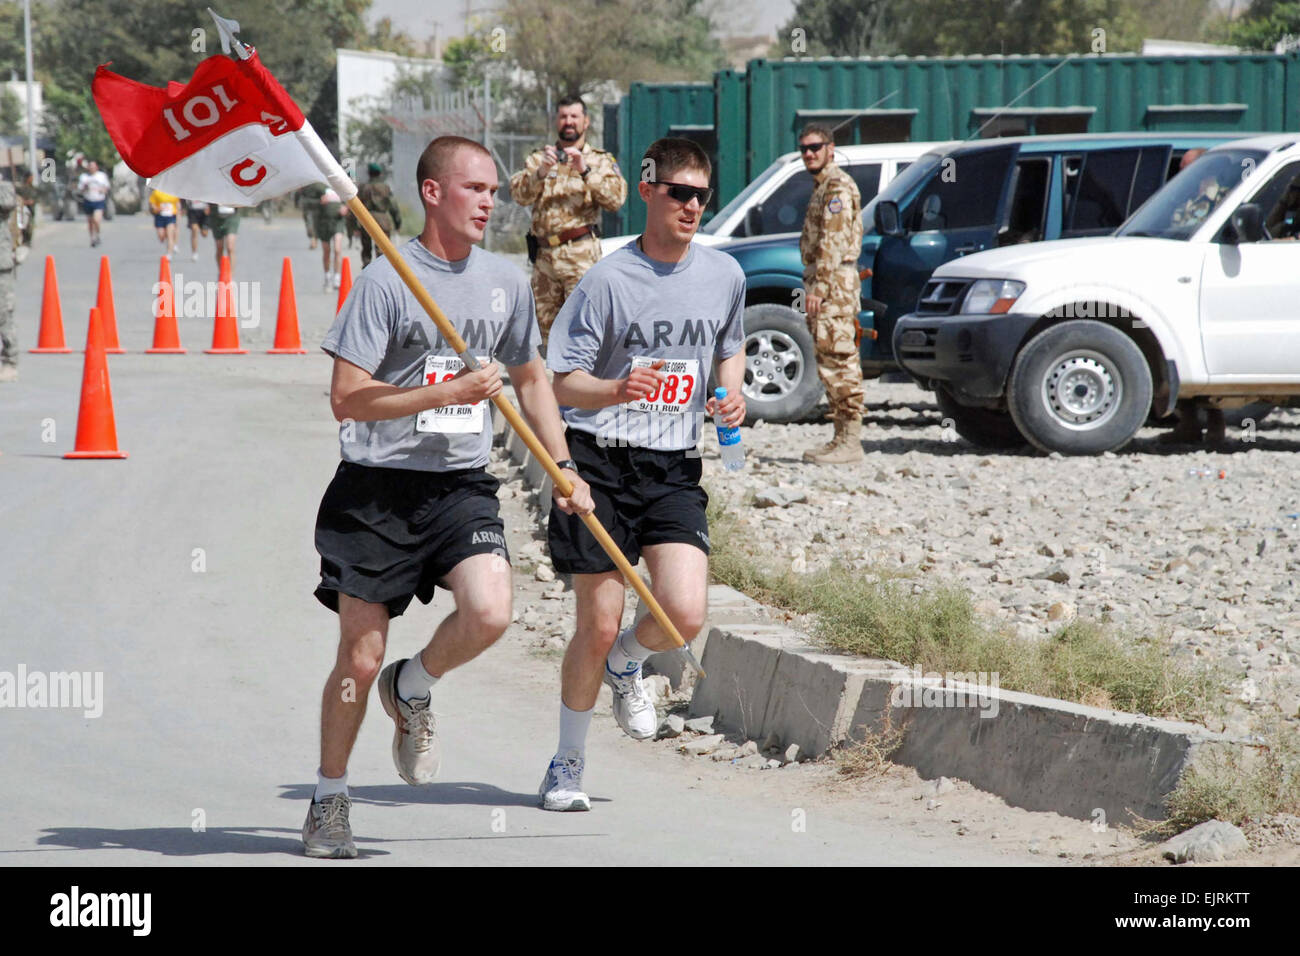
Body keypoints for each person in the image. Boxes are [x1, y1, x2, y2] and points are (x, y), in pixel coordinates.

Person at [304, 134, 594, 859]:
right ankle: (329, 800)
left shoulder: (504, 279)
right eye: (475, 189)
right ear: (433, 193)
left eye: (494, 191)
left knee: (492, 609)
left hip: (459, 486)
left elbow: (531, 379)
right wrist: (445, 391)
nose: (489, 202)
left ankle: (416, 684)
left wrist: (564, 465)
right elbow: (345, 399)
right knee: (358, 660)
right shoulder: (387, 279)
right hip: (375, 492)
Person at [539, 137, 746, 812]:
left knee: (683, 612)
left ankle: (629, 663)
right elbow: (559, 384)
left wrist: (732, 394)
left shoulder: (724, 276)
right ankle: (566, 764)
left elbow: (729, 347)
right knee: (594, 626)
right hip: (600, 460)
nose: (691, 206)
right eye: (679, 192)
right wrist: (616, 390)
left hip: (673, 466)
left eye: (701, 196)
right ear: (650, 189)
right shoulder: (605, 278)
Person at [508, 95, 626, 346]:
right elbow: (518, 195)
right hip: (544, 258)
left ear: (586, 122)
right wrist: (540, 173)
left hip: (580, 255)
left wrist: (585, 170)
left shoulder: (599, 160)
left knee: (581, 328)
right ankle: (553, 385)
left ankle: (579, 383)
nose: (568, 122)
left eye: (574, 117)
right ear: (556, 122)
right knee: (545, 334)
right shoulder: (539, 158)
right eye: (563, 117)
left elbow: (616, 200)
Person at [797, 124, 864, 464]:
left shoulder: (836, 187)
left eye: (815, 147)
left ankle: (851, 441)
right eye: (804, 148)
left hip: (834, 284)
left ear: (830, 148)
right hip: (827, 283)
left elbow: (833, 242)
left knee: (840, 357)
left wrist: (820, 287)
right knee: (828, 357)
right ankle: (840, 436)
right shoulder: (823, 186)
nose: (809, 153)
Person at [354, 161, 402, 267]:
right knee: (382, 250)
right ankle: (380, 272)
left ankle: (366, 270)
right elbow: (393, 206)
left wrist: (355, 226)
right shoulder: (385, 187)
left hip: (366, 220)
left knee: (366, 249)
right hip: (383, 220)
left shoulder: (362, 187)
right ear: (380, 173)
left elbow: (355, 206)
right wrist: (397, 223)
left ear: (369, 173)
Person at [0, 179, 18, 382]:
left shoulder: (4, 188)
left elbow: (7, 204)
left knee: (3, 313)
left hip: (1, 264)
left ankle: (10, 361)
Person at [316, 187, 347, 289]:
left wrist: (346, 207)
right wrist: (319, 201)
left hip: (338, 220)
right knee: (326, 251)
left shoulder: (347, 174)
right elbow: (310, 200)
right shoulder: (321, 184)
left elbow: (351, 194)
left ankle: (337, 277)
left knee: (337, 249)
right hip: (324, 221)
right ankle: (327, 275)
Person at [77, 159, 110, 248]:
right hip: (88, 200)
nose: (92, 168)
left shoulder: (101, 176)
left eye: (93, 167)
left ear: (96, 167)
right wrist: (85, 187)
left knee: (96, 220)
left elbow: (106, 187)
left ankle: (97, 234)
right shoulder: (84, 177)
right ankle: (92, 238)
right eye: (90, 167)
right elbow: (80, 189)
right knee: (90, 222)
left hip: (98, 200)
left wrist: (103, 190)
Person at [149, 187, 180, 258]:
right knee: (161, 237)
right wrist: (156, 208)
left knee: (170, 235)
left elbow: (178, 204)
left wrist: (178, 216)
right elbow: (152, 204)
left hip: (171, 216)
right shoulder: (156, 192)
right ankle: (170, 244)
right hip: (160, 216)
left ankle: (169, 254)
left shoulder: (174, 192)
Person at [210, 204, 240, 272]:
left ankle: (230, 278)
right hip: (216, 217)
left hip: (232, 217)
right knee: (219, 247)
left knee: (230, 247)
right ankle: (222, 273)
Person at [15, 170, 37, 251]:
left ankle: (28, 241)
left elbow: (36, 197)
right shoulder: (21, 187)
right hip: (22, 209)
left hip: (31, 210)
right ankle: (24, 240)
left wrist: (33, 201)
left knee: (30, 226)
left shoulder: (32, 188)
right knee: (23, 225)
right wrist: (24, 202)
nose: (32, 179)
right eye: (31, 177)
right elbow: (17, 197)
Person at [300, 182, 325, 249]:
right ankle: (313, 240)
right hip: (308, 209)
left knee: (316, 225)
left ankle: (314, 240)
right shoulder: (305, 185)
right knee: (309, 225)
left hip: (317, 209)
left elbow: (324, 196)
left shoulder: (318, 185)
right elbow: (302, 196)